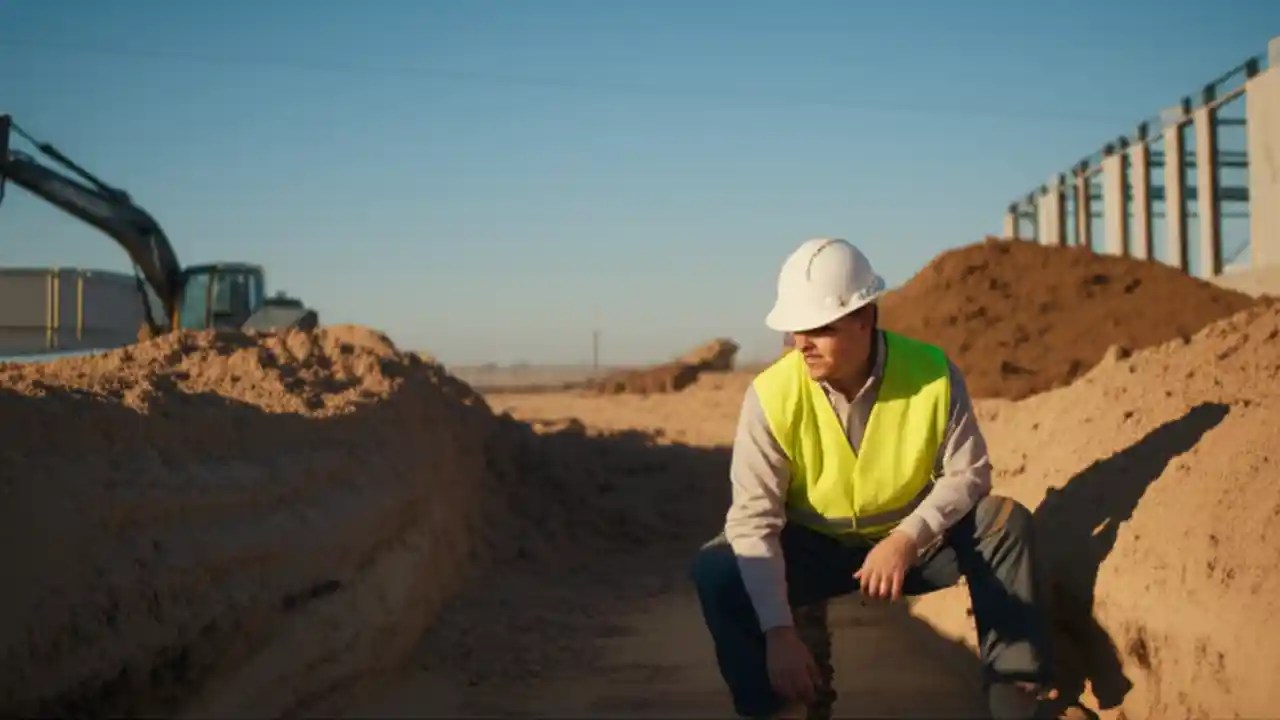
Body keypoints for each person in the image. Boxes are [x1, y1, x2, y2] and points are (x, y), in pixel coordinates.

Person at [689, 238, 1069, 720]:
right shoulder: (770, 396)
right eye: (795, 329)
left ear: (865, 318)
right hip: (810, 550)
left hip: (911, 549)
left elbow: (970, 473)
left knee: (1004, 524)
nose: (801, 342)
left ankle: (1013, 698)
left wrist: (907, 539)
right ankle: (778, 706)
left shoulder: (931, 373)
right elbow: (753, 521)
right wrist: (778, 633)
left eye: (820, 327)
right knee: (719, 570)